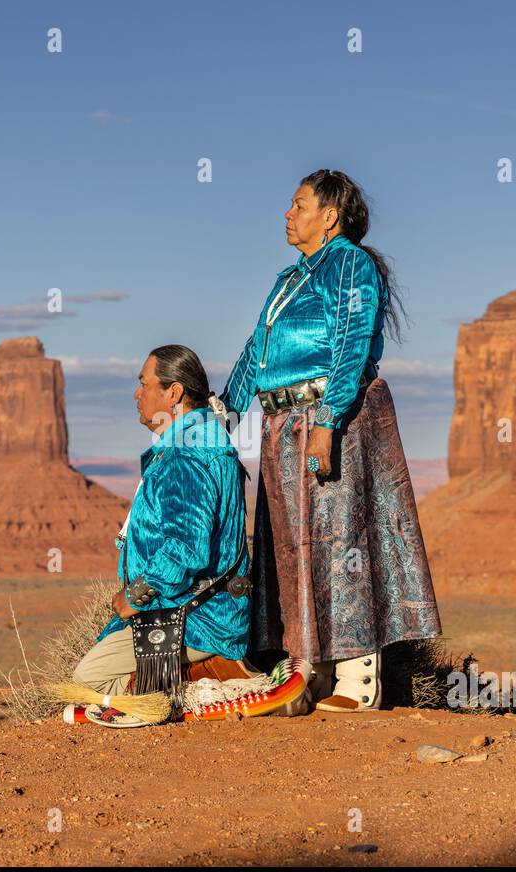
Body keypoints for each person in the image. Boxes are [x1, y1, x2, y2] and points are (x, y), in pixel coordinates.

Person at [221, 169, 442, 712]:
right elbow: (257, 351)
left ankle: (359, 682)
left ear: (330, 216)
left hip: (328, 421)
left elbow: (352, 342)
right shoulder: (288, 278)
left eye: (298, 205)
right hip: (281, 426)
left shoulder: (350, 264)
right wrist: (223, 413)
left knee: (340, 543)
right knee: (294, 547)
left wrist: (328, 420)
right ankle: (312, 671)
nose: (287, 214)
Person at [71, 345, 258, 699]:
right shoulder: (202, 441)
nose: (136, 394)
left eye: (144, 384)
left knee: (87, 683)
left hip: (196, 620)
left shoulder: (184, 455)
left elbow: (186, 548)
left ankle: (205, 681)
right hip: (200, 609)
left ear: (173, 393)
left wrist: (135, 595)